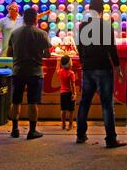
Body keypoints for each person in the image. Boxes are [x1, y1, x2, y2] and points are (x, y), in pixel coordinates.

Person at [76, 0, 126, 148]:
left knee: (85, 102)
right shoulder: (106, 26)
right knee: (106, 104)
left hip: (88, 68)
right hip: (103, 68)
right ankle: (110, 138)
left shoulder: (82, 26)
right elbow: (112, 49)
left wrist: (84, 60)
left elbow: (79, 47)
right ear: (102, 10)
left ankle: (80, 134)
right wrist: (117, 68)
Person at [7, 8, 52, 140]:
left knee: (16, 101)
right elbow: (48, 54)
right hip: (35, 73)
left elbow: (9, 53)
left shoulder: (15, 33)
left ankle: (15, 129)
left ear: (24, 19)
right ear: (35, 19)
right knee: (33, 103)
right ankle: (32, 131)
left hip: (18, 71)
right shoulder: (42, 34)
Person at [57, 55, 77, 131]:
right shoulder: (71, 73)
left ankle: (63, 124)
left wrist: (58, 61)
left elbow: (57, 69)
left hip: (62, 93)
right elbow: (72, 84)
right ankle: (70, 125)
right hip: (69, 93)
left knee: (63, 110)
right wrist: (74, 93)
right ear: (69, 64)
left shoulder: (60, 72)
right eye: (71, 61)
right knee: (71, 110)